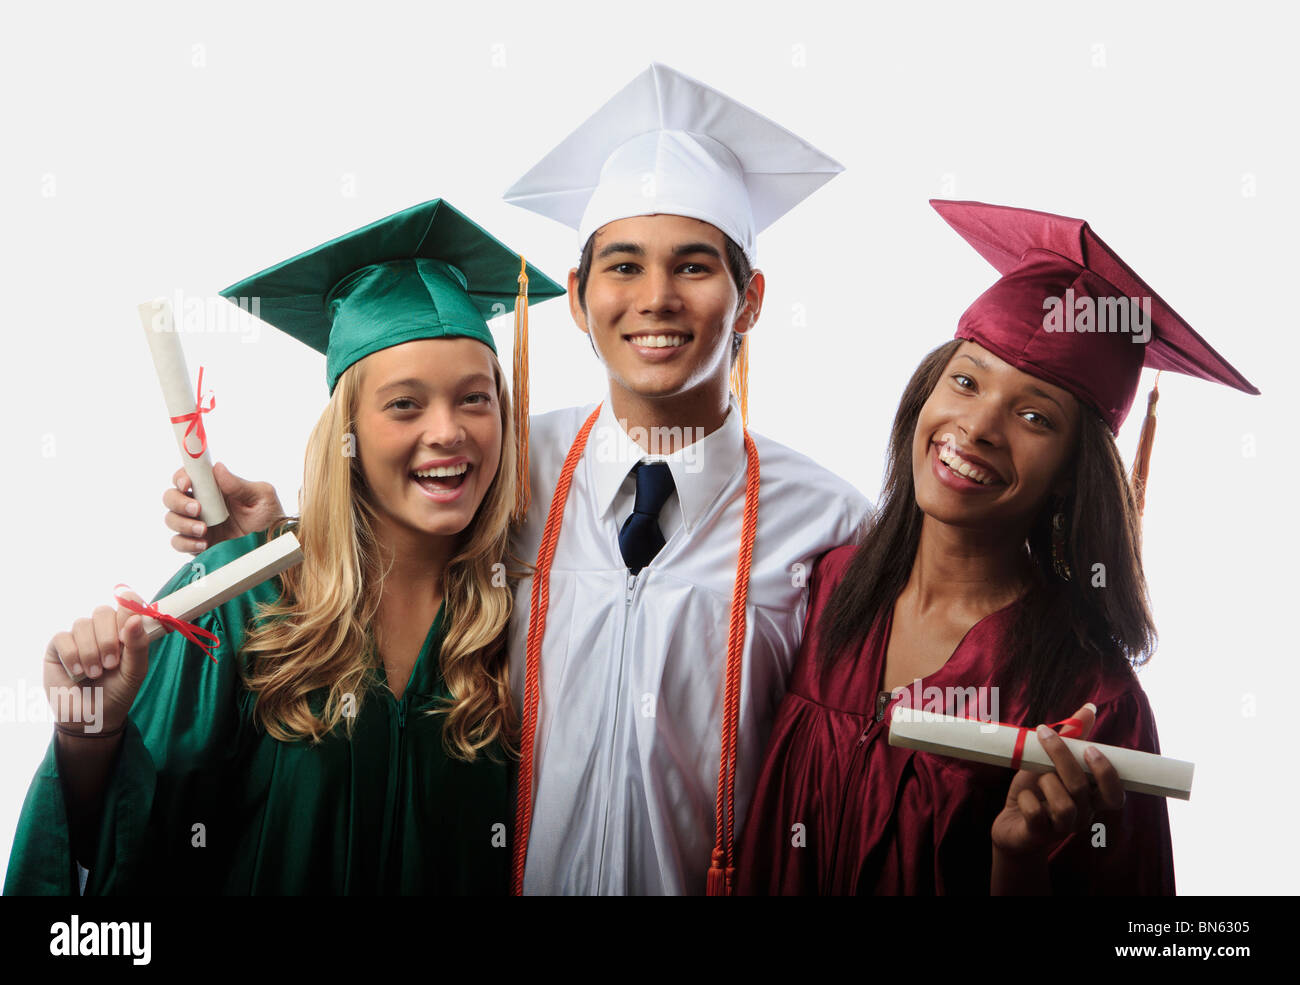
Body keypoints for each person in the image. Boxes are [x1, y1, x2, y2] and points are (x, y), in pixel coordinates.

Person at [158, 64, 873, 895]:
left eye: (693, 267)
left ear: (748, 300)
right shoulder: (508, 464)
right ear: (576, 296)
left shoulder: (833, 524)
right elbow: (389, 504)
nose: (656, 299)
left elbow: (844, 776)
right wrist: (282, 535)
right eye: (624, 266)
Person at [4, 199, 564, 894]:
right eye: (404, 404)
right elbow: (126, 841)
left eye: (475, 398)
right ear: (347, 437)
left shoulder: (521, 621)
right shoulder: (237, 599)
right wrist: (90, 732)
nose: (447, 431)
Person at [735, 199, 1259, 895]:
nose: (978, 425)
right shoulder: (821, 590)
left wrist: (1020, 863)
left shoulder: (1096, 704)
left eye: (1035, 414)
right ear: (926, 388)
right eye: (966, 379)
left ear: (1076, 471)